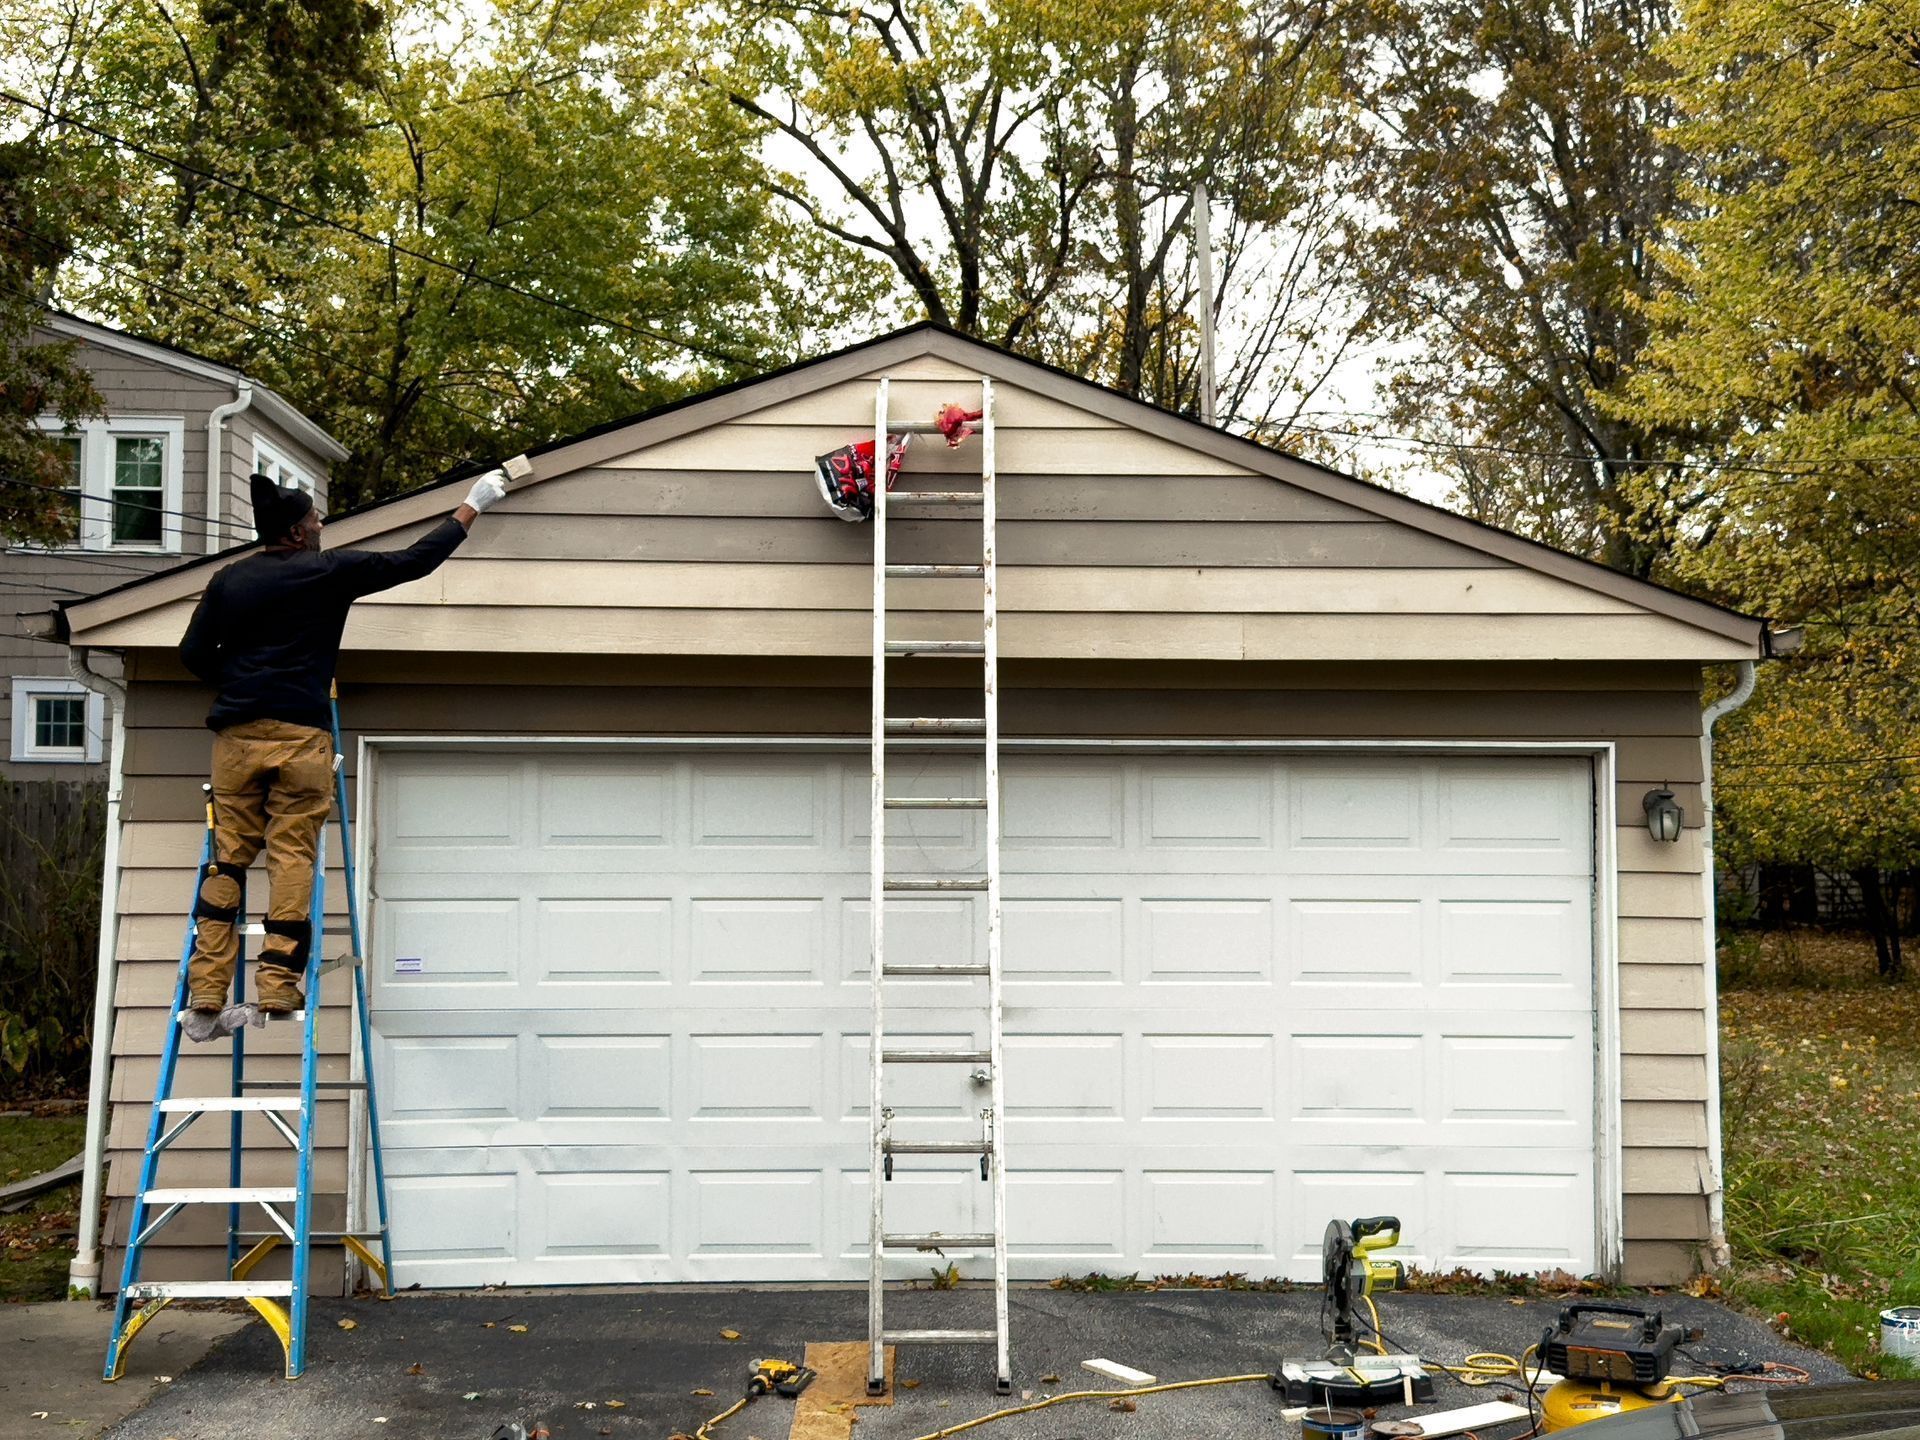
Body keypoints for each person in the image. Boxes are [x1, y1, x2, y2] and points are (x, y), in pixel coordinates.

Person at [176, 468, 508, 1036]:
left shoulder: (229, 580)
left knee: (227, 860)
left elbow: (193, 654)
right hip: (300, 736)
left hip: (235, 738)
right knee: (291, 858)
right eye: (314, 518)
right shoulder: (327, 571)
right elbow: (414, 561)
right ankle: (276, 990)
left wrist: (239, 680)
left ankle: (206, 998)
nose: (321, 523)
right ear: (298, 532)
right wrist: (470, 506)